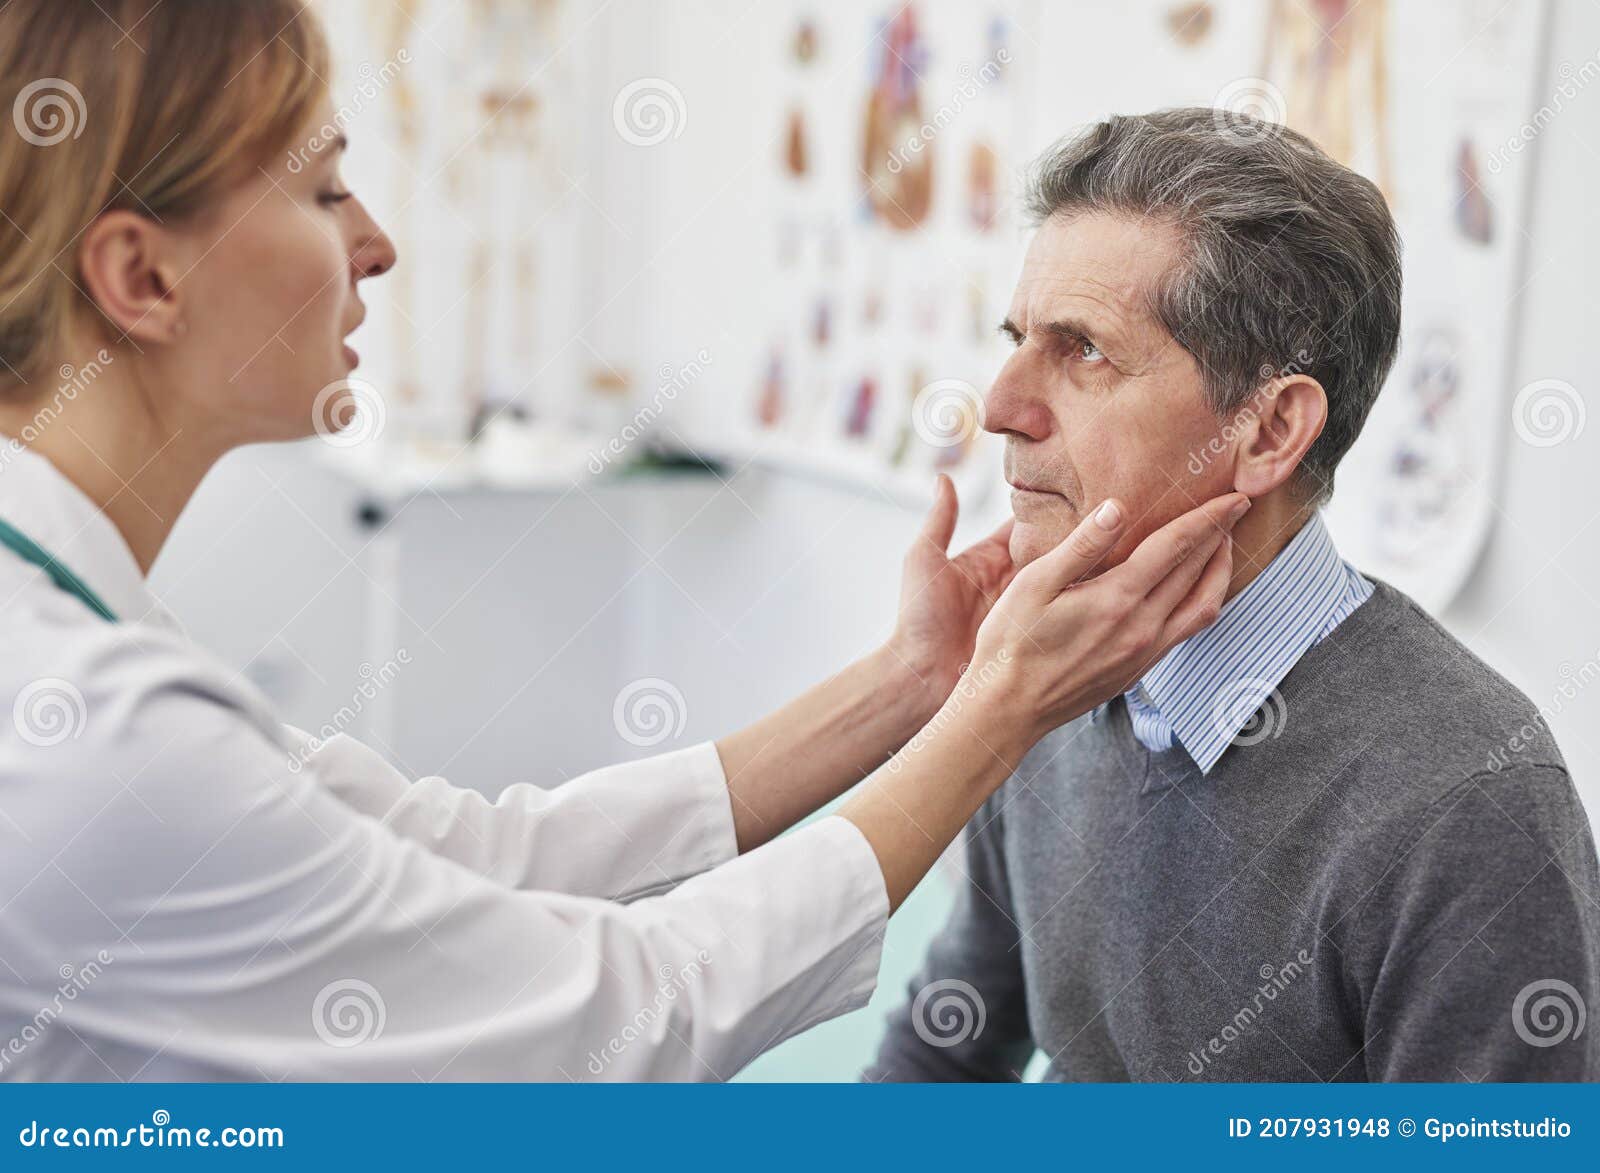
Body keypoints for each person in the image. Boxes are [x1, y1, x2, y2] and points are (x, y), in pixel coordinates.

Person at [0, 2, 1247, 1081]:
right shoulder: (89, 733)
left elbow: (476, 855)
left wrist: (918, 684)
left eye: (1079, 348)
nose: (376, 244)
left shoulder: (80, 650)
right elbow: (622, 1022)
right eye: (323, 192)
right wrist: (996, 712)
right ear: (141, 278)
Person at [868, 109, 1600, 1082]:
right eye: (1016, 340)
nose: (999, 406)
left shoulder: (1468, 808)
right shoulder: (1038, 683)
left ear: (1267, 432)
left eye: (1081, 349)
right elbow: (943, 1057)